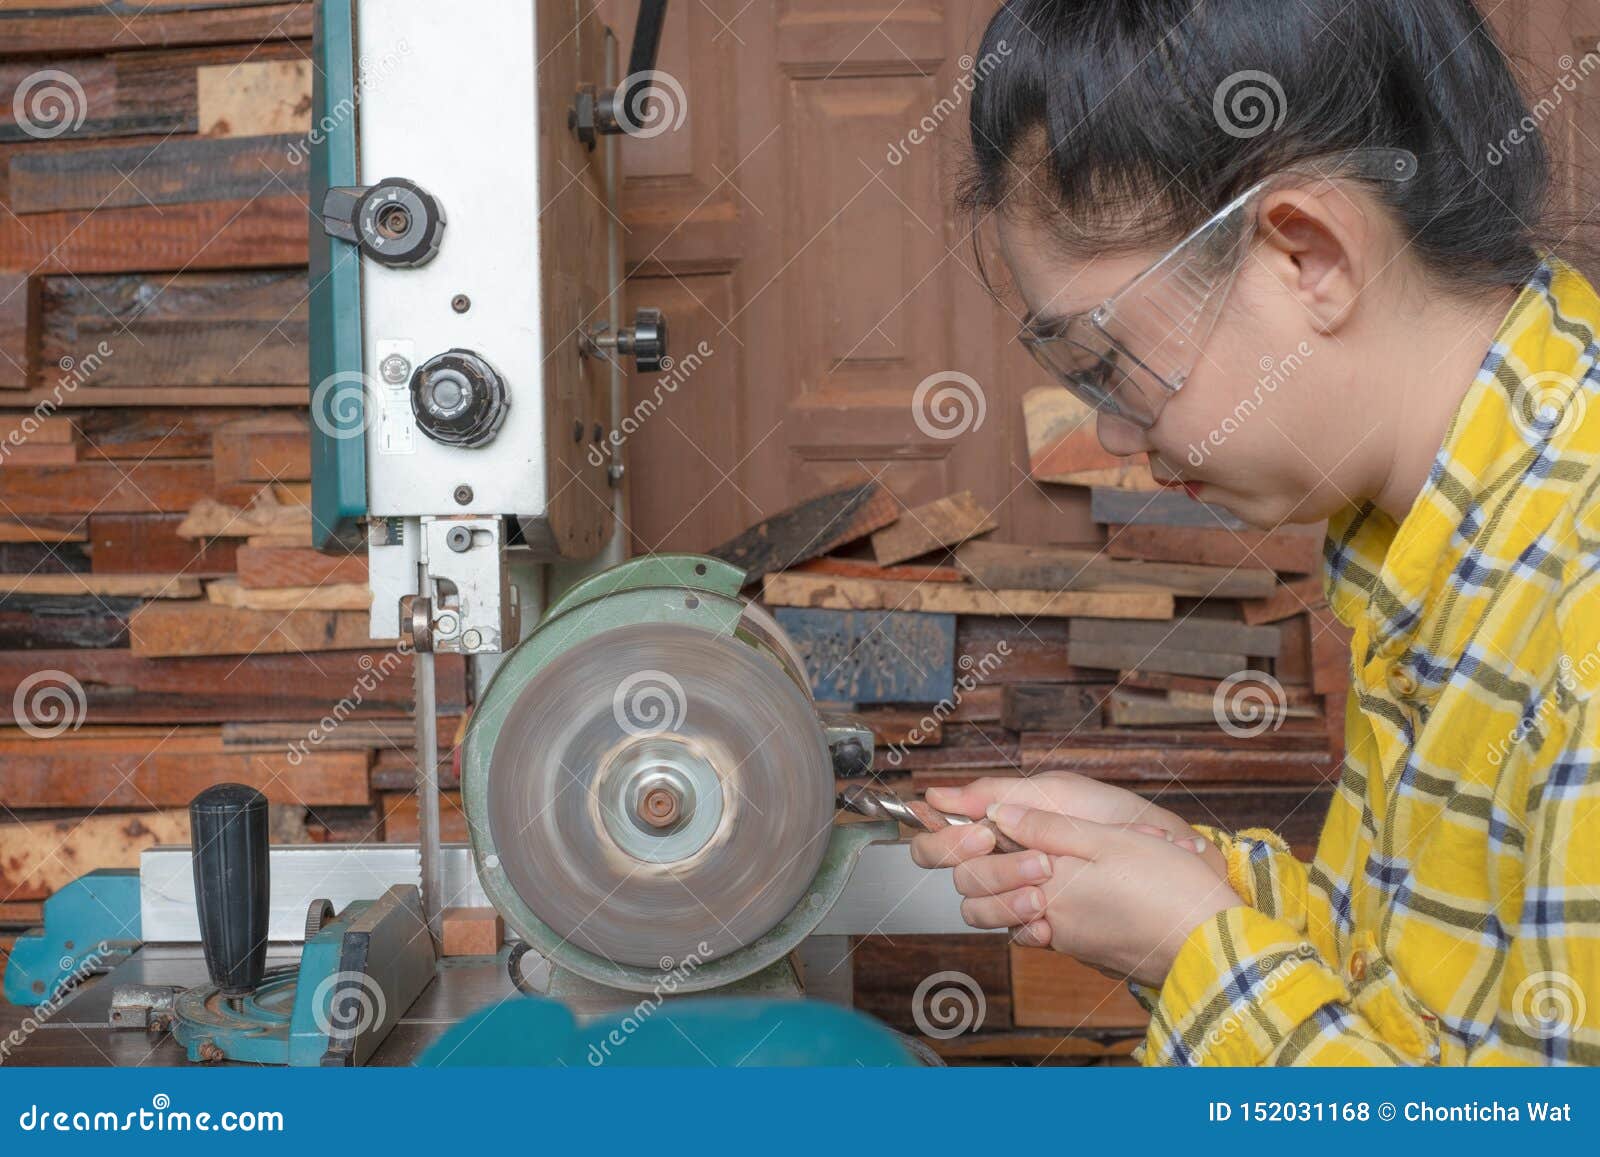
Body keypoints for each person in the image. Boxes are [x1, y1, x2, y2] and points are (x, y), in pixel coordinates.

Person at [911, 0, 1600, 1065]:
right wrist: (1187, 872)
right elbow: (1415, 1003)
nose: (1109, 429)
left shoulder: (1578, 606)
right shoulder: (1425, 530)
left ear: (1307, 255)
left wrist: (1198, 947)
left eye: (1112, 364)